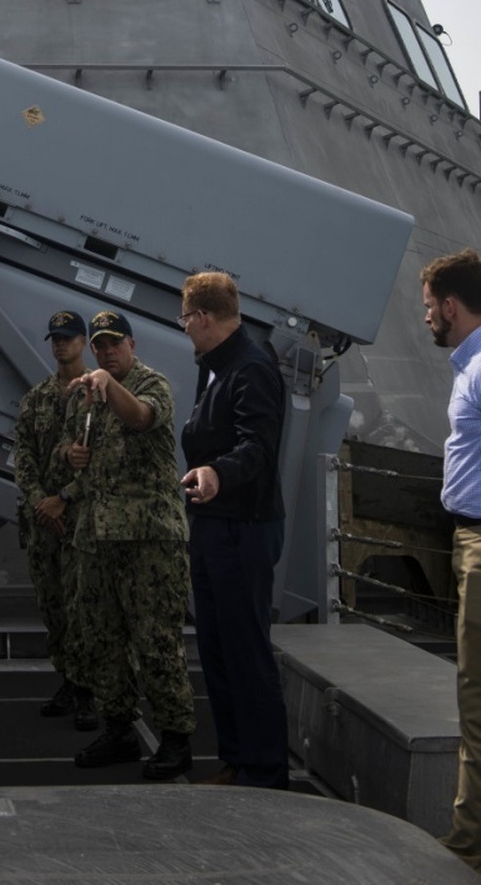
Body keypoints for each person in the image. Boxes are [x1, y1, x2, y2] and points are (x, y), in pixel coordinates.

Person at [63, 309, 196, 778]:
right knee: (104, 640)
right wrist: (71, 453)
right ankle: (118, 730)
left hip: (148, 541)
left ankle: (177, 739)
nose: (106, 351)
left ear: (132, 346)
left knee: (157, 642)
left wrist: (105, 382)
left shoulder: (150, 384)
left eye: (114, 343)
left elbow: (141, 418)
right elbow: (69, 448)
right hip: (98, 538)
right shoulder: (85, 394)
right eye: (99, 345)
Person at [177, 271, 289, 789]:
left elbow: (259, 448)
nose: (185, 330)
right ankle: (235, 759)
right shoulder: (217, 367)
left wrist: (217, 472)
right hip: (214, 527)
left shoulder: (252, 369)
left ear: (201, 317)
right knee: (219, 651)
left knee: (246, 652)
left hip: (242, 531)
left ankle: (264, 772)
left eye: (185, 320)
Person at [421, 248, 481, 872]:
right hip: (469, 539)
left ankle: (468, 848)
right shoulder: (471, 367)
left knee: (478, 699)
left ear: (450, 305)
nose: (427, 320)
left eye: (429, 309)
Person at [14, 310, 96, 731]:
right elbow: (23, 457)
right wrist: (40, 503)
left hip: (82, 523)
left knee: (84, 610)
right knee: (54, 609)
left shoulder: (98, 395)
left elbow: (103, 462)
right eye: (55, 339)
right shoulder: (37, 398)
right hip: (45, 522)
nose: (60, 345)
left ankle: (88, 692)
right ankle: (68, 681)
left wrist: (65, 499)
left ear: (84, 342)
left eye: (67, 338)